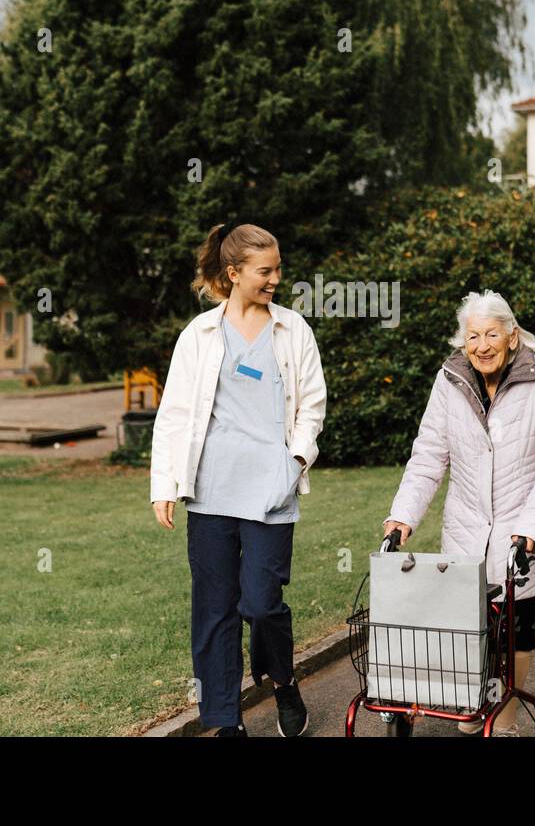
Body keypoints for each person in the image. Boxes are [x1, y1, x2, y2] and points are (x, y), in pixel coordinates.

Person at [150, 221, 327, 737]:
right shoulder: (200, 334)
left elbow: (312, 403)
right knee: (214, 609)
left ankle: (283, 680)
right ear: (234, 273)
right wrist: (165, 484)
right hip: (210, 490)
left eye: (277, 269)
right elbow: (176, 413)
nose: (276, 278)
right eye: (265, 270)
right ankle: (226, 721)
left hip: (271, 488)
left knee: (261, 604)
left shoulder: (293, 330)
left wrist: (295, 461)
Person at [384, 289, 535, 736]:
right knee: (469, 632)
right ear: (462, 341)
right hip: (468, 535)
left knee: (515, 635)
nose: (482, 346)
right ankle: (481, 707)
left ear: (513, 336)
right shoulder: (449, 380)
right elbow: (429, 455)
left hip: (524, 538)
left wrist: (529, 532)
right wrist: (402, 516)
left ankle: (506, 723)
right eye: (473, 336)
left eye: (492, 334)